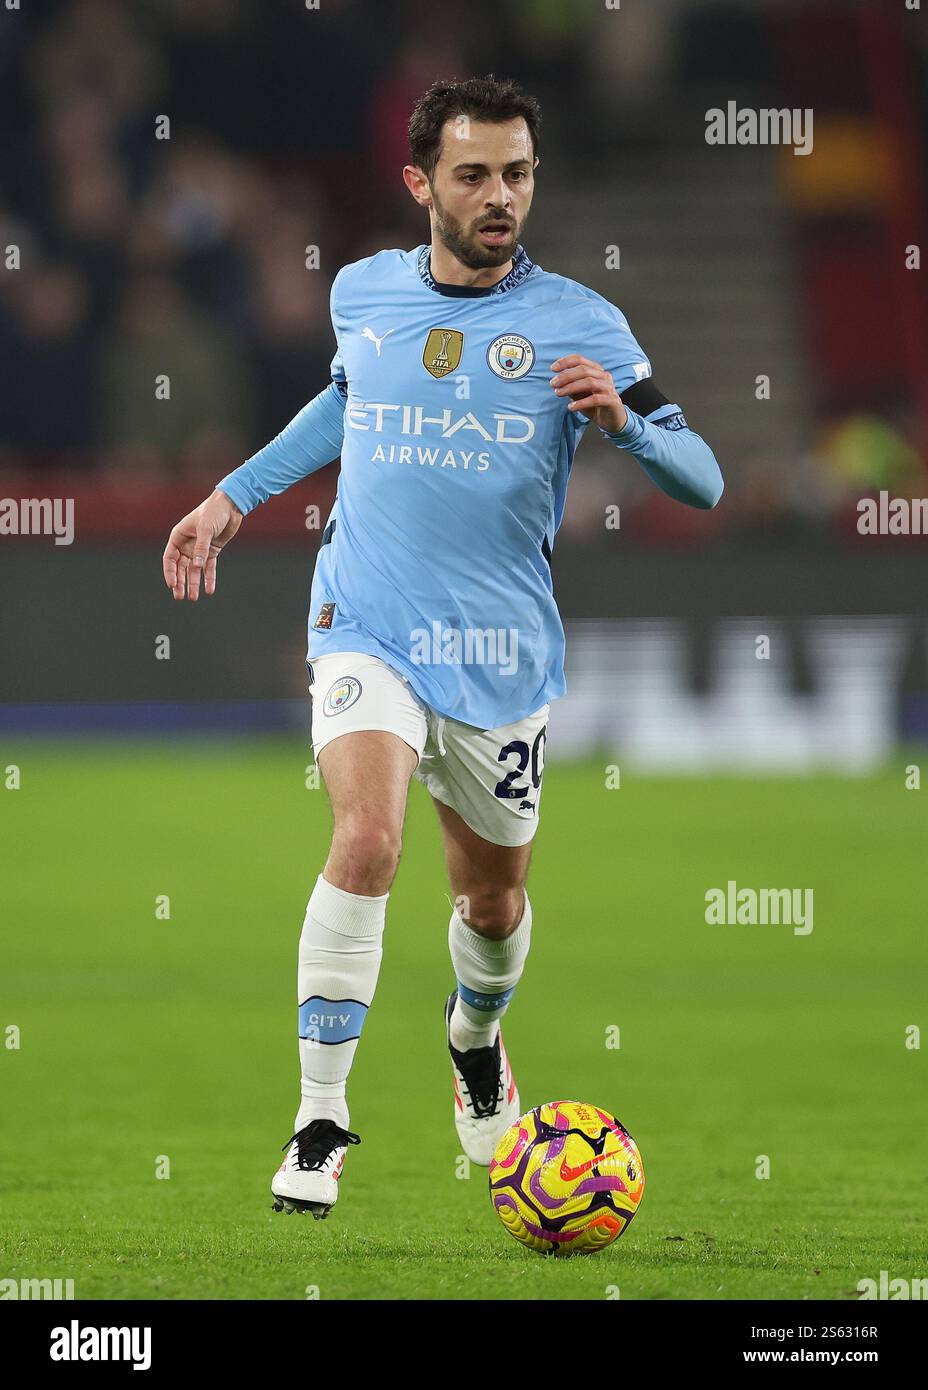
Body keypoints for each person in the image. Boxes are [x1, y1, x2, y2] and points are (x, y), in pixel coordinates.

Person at [161, 75, 723, 1220]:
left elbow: (701, 477)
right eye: (473, 173)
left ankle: (474, 1039)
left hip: (500, 652)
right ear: (421, 182)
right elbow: (343, 402)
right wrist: (231, 495)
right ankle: (321, 1120)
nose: (499, 194)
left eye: (516, 173)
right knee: (366, 839)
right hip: (365, 619)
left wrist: (620, 424)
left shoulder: (581, 323)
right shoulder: (365, 292)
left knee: (493, 906)